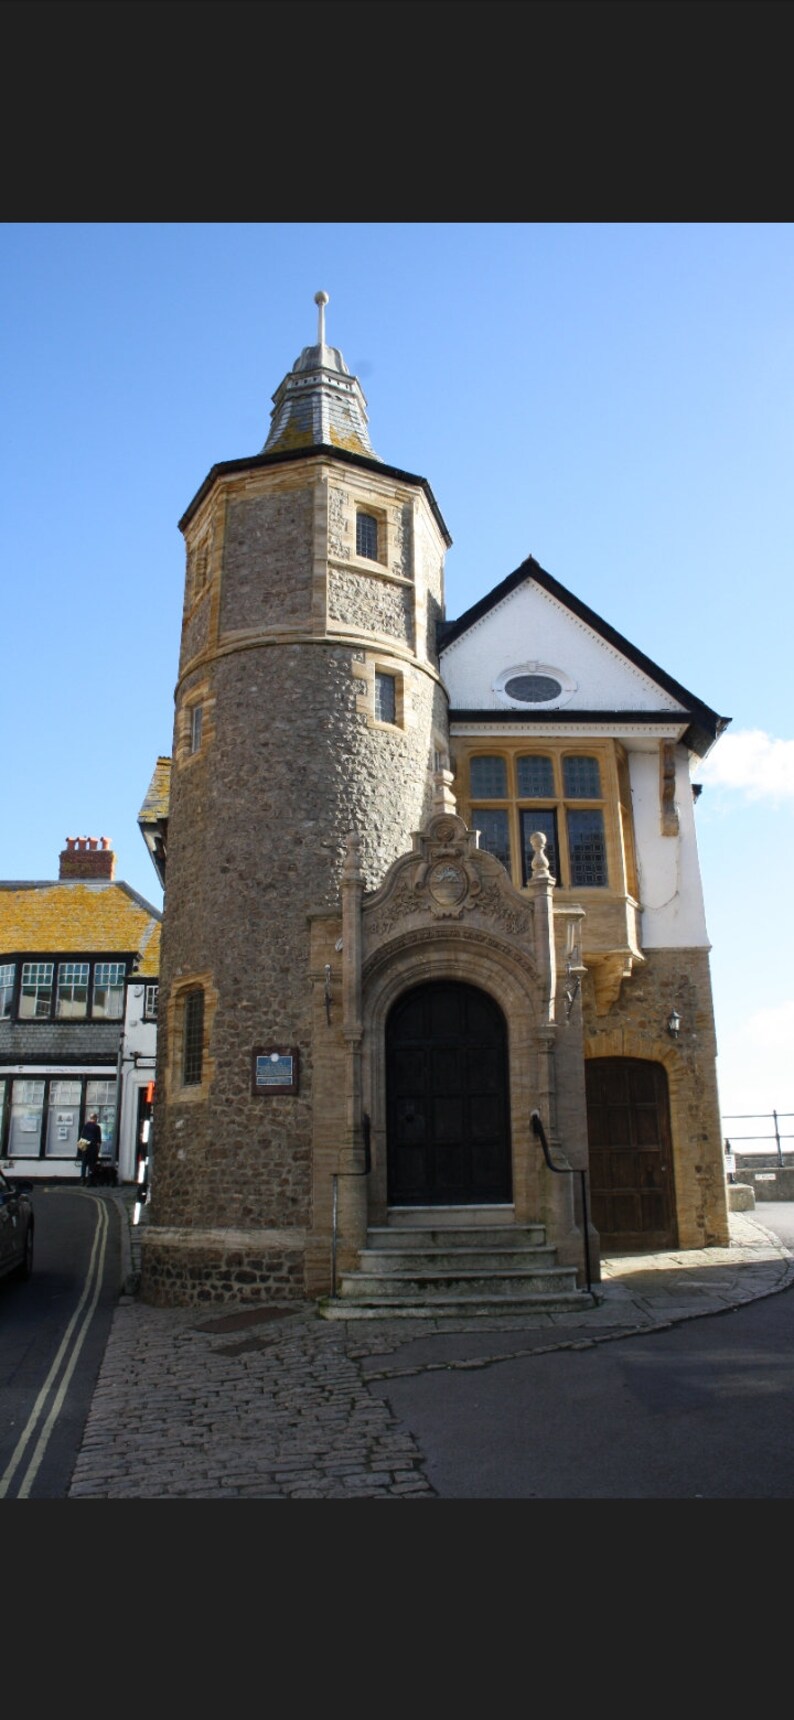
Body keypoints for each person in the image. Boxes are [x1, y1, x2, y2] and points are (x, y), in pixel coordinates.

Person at [79, 1113, 102, 1184]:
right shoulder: (97, 1127)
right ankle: (89, 1180)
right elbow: (98, 1140)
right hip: (93, 1148)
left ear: (90, 1118)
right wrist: (98, 1150)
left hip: (85, 1147)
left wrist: (82, 1148)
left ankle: (82, 1179)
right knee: (91, 1164)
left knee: (84, 1164)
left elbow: (82, 1137)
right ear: (95, 1119)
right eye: (96, 1118)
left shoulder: (85, 1126)